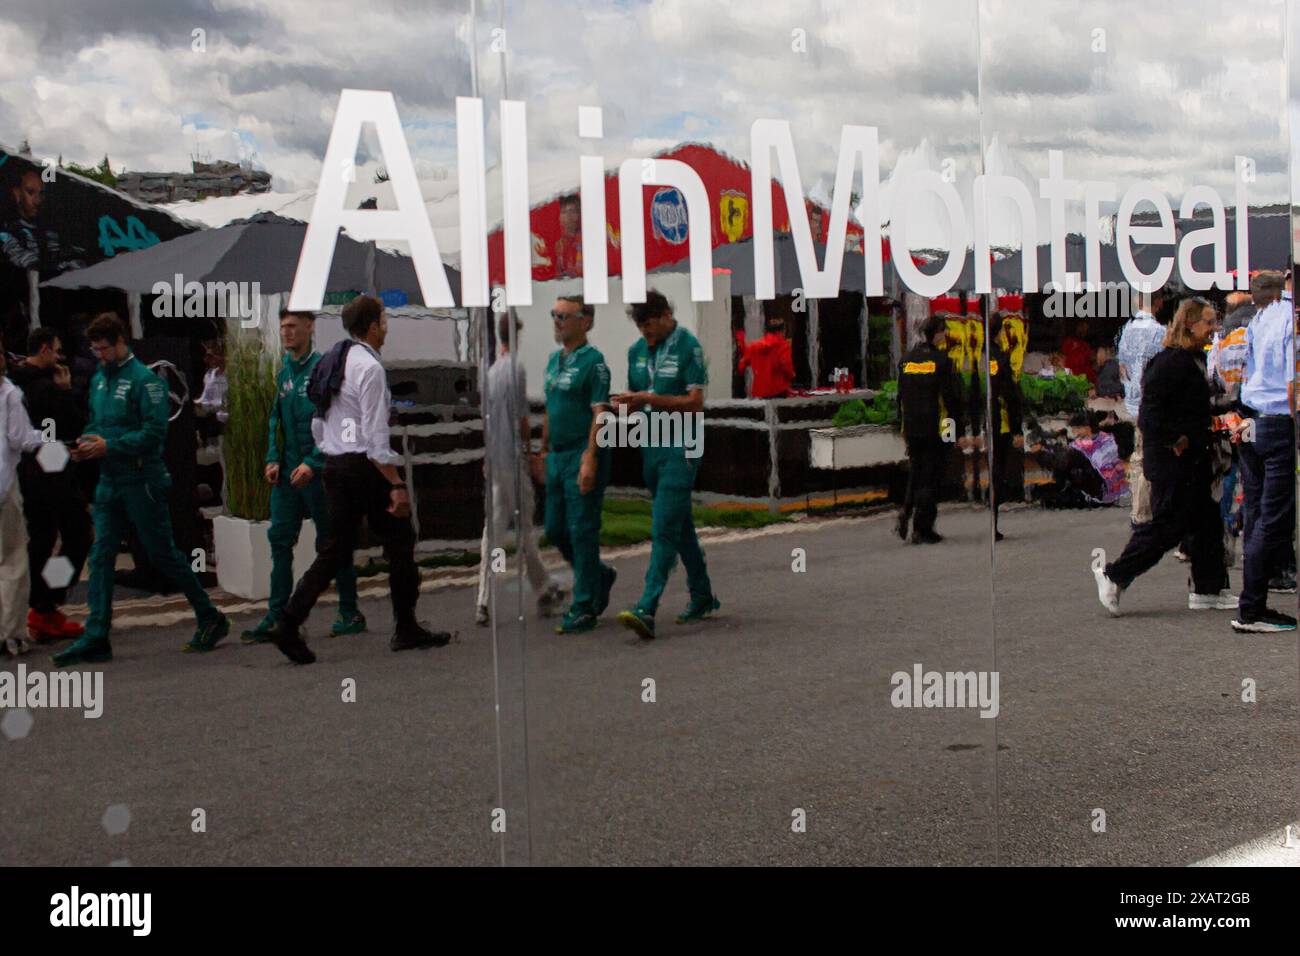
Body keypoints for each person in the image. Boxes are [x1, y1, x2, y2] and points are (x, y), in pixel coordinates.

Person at [265, 295, 449, 664]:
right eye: (383, 320)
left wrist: (331, 451)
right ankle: (406, 626)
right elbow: (376, 439)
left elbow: (319, 421)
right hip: (365, 467)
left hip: (335, 466)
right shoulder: (370, 369)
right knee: (400, 538)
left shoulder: (334, 360)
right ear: (371, 327)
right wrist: (396, 484)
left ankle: (288, 621)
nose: (387, 327)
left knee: (334, 550)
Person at [54, 313, 230, 665]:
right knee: (101, 556)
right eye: (94, 349)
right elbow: (95, 421)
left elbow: (154, 435)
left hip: (142, 481)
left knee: (163, 554)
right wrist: (85, 442)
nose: (98, 355)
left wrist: (108, 446)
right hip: (109, 482)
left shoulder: (148, 381)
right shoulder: (100, 380)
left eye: (103, 348)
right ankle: (96, 635)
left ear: (120, 342)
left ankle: (209, 616)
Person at [1093, 298, 1234, 616]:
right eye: (1208, 323)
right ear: (1189, 324)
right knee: (1169, 525)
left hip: (1194, 457)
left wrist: (1226, 408)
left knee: (1207, 521)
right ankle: (1114, 574)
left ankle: (1209, 589)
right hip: (1172, 460)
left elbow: (1195, 405)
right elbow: (1151, 415)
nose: (1213, 329)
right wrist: (1176, 439)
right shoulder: (1169, 362)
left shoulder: (1195, 359)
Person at [241, 310, 366, 644]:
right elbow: (275, 422)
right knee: (279, 542)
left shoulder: (323, 370)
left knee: (332, 543)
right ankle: (276, 615)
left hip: (319, 476)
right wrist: (271, 459)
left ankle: (349, 611)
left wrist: (313, 463)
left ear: (310, 327)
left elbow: (335, 423)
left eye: (292, 326)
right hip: (285, 478)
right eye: (282, 327)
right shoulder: (284, 374)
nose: (286, 332)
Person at [611, 290, 719, 640]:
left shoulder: (689, 346)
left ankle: (647, 605)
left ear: (666, 315)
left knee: (662, 526)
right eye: (640, 327)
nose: (646, 333)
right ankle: (702, 594)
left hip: (683, 445)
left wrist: (647, 398)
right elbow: (636, 402)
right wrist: (621, 408)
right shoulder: (636, 353)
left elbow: (695, 402)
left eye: (650, 324)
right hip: (650, 446)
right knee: (678, 524)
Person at [475, 310, 565, 626]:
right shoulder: (517, 369)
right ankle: (542, 590)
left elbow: (486, 421)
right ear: (516, 334)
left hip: (495, 460)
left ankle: (484, 598)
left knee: (494, 532)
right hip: (513, 460)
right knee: (525, 529)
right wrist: (530, 454)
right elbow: (523, 420)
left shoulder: (488, 374)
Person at [535, 294, 617, 635]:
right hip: (557, 455)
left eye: (564, 316)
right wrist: (542, 451)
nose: (557, 321)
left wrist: (590, 458)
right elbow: (550, 409)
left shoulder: (594, 363)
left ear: (586, 321)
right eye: (554, 314)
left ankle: (584, 605)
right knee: (555, 528)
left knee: (583, 531)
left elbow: (601, 414)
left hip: (583, 452)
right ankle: (598, 575)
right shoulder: (554, 361)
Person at [9, 327, 91, 641]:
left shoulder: (13, 385)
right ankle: (46, 600)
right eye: (56, 351)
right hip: (53, 469)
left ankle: (38, 606)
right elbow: (72, 424)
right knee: (79, 534)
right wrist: (67, 391)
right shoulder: (48, 387)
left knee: (40, 537)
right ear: (44, 349)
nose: (60, 359)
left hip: (24, 472)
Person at [1231, 272, 1297, 633]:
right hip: (1278, 422)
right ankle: (1252, 608)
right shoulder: (1290, 318)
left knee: (1257, 514)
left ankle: (1252, 602)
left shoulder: (1262, 317)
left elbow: (1246, 370)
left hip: (1253, 419)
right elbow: (1292, 384)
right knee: (1273, 519)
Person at [896, 313, 966, 544]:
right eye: (943, 331)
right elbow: (951, 400)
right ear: (936, 334)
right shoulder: (943, 362)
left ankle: (906, 510)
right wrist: (955, 434)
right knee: (931, 477)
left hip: (912, 427)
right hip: (935, 427)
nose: (945, 335)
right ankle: (922, 528)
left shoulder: (906, 360)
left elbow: (900, 396)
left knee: (916, 471)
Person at [0, 346, 44, 656]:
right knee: (12, 560)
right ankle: (10, 634)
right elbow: (21, 439)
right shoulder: (9, 393)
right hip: (3, 484)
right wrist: (51, 438)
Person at [969, 313, 1024, 540]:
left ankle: (992, 520)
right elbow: (1011, 397)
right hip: (999, 424)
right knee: (999, 471)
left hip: (984, 421)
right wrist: (1017, 429)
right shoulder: (1000, 358)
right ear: (1001, 332)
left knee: (994, 470)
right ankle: (994, 523)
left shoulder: (980, 357)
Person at [1115, 290, 1167, 528]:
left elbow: (1122, 368)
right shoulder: (1159, 332)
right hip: (1152, 403)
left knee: (1138, 457)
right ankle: (1146, 512)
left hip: (1133, 402)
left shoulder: (1127, 330)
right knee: (1152, 456)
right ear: (1159, 303)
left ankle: (1140, 509)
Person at [736, 316, 796, 399]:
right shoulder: (783, 346)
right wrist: (792, 375)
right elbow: (786, 365)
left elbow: (741, 366)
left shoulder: (754, 346)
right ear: (782, 331)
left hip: (759, 391)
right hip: (778, 390)